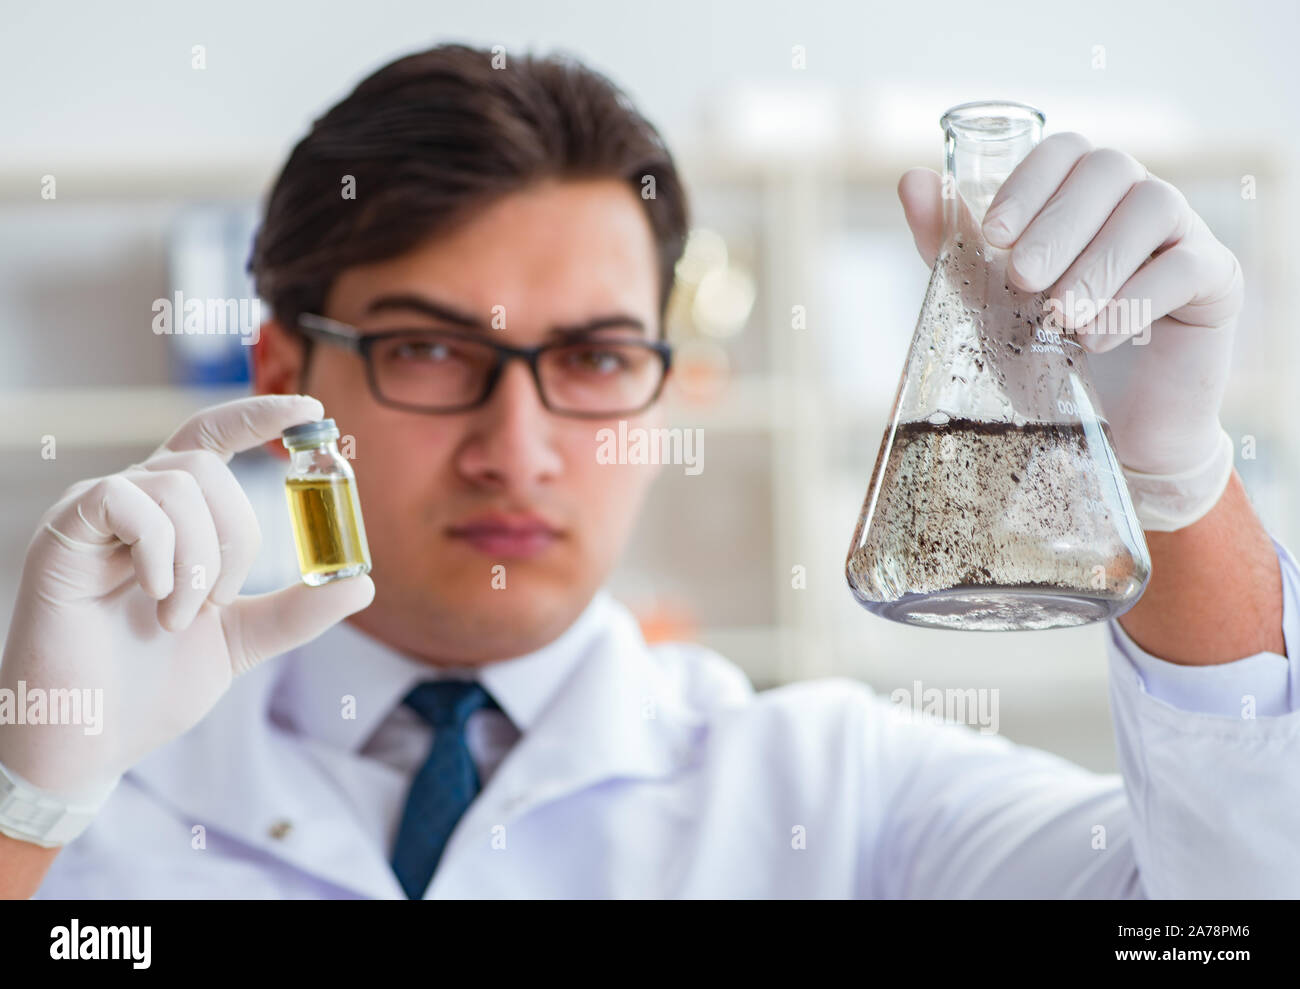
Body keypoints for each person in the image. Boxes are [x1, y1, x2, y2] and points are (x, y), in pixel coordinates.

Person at [2, 44, 1296, 899]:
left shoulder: (841, 794)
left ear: (664, 380)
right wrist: (31, 798)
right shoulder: (86, 791)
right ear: (284, 376)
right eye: (430, 350)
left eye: (598, 357)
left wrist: (1173, 485)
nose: (517, 445)